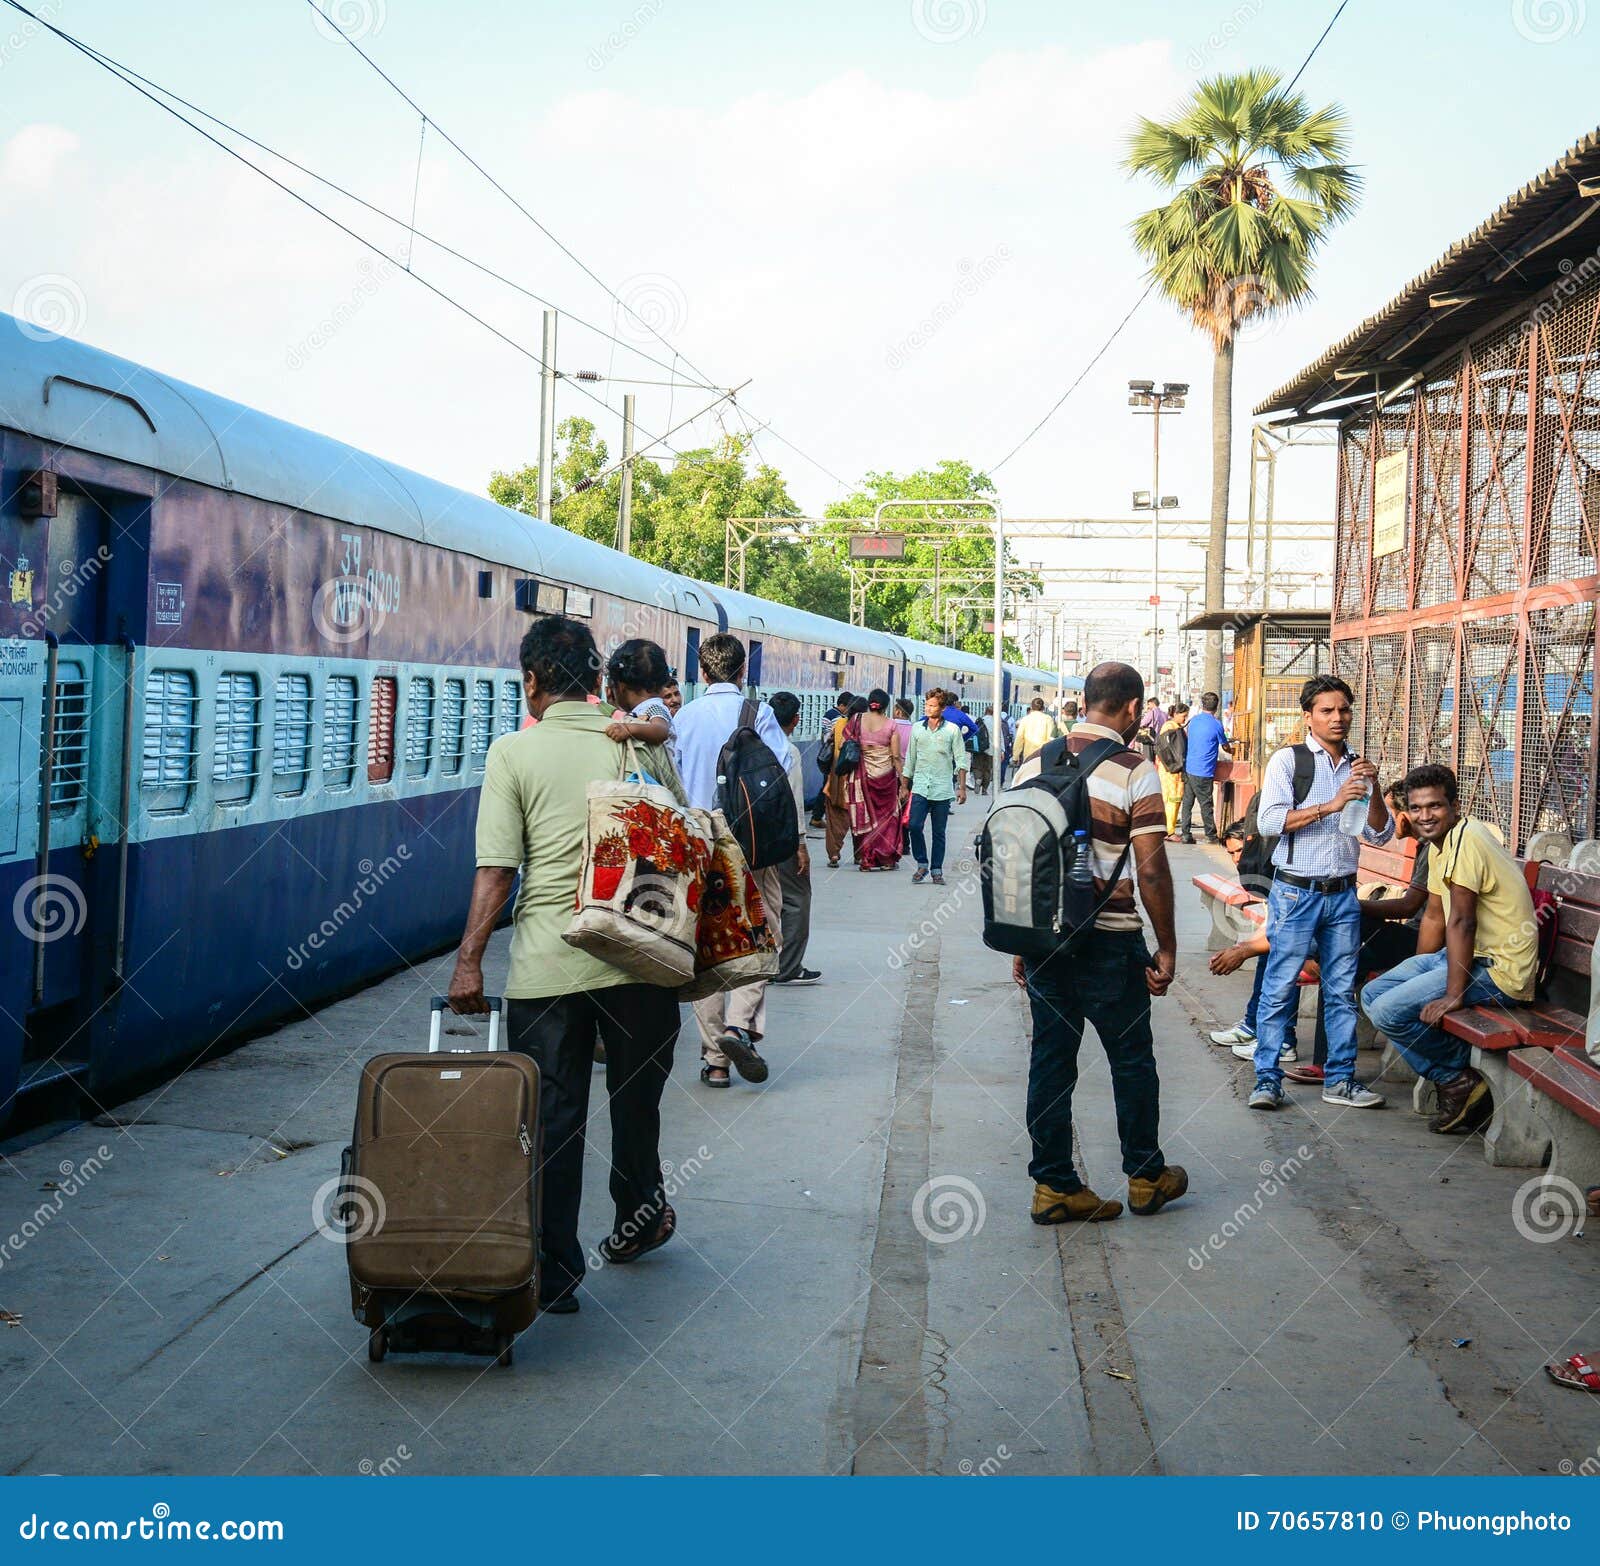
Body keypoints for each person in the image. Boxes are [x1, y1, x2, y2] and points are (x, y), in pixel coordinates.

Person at [447, 616, 686, 1313]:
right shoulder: (640, 748)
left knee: (552, 1117)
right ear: (597, 681)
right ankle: (637, 1219)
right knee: (637, 1104)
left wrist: (469, 963)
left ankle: (555, 1270)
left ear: (531, 682)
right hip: (641, 959)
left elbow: (496, 872)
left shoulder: (514, 754)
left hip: (550, 964)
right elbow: (676, 847)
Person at [1011, 661, 1184, 1223]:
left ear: (1085, 702)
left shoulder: (1034, 763)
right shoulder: (1135, 769)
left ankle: (1053, 1186)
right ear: (1133, 709)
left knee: (1051, 1061)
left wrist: (1023, 936)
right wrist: (1167, 947)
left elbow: (1020, 856)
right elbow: (1152, 869)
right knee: (1131, 1059)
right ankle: (1145, 1176)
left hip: (1046, 941)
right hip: (1110, 941)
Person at [1360, 764, 1537, 1134]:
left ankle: (1458, 1077)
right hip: (1470, 956)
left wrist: (1453, 993)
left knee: (1390, 1012)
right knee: (1375, 993)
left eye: (1435, 806)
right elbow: (1435, 917)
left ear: (1454, 806)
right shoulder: (1438, 845)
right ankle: (1459, 1078)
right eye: (1417, 808)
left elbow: (1463, 922)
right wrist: (1417, 971)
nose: (1425, 816)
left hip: (1500, 969)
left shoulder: (1467, 840)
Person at [1248, 674, 1393, 1112]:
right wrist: (1330, 805)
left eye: (1344, 709)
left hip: (1343, 895)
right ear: (1308, 716)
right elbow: (1269, 822)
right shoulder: (1289, 762)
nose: (1338, 718)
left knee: (1341, 989)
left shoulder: (1357, 766)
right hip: (1295, 893)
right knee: (1279, 986)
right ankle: (1268, 1080)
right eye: (1327, 711)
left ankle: (1341, 1079)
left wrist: (1376, 789)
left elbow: (1380, 835)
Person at [671, 631, 788, 1089]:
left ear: (702, 671)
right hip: (751, 846)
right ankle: (741, 1025)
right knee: (760, 936)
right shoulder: (759, 715)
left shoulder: (685, 716)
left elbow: (673, 781)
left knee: (708, 947)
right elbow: (781, 772)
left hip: (701, 844)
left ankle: (715, 1059)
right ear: (743, 672)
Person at [767, 691, 821, 988]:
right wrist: (801, 845)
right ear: (796, 720)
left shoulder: (752, 746)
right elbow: (795, 802)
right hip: (784, 838)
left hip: (751, 838)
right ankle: (788, 967)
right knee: (797, 898)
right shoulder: (788, 751)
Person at [901, 689, 967, 886]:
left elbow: (961, 760)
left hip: (942, 789)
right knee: (914, 825)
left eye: (932, 705)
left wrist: (962, 788)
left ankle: (936, 869)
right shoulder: (917, 729)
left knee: (939, 832)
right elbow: (910, 759)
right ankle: (922, 862)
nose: (928, 709)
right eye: (927, 705)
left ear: (943, 708)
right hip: (920, 786)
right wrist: (904, 786)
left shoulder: (952, 731)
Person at [842, 690, 903, 871]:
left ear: (869, 703)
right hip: (886, 776)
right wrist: (904, 782)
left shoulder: (856, 720)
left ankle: (867, 859)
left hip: (862, 775)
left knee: (866, 816)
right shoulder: (891, 724)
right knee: (888, 818)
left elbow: (843, 744)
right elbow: (896, 756)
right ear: (885, 706)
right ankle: (885, 859)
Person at [1178, 692, 1232, 844]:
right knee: (1206, 804)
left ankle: (1185, 834)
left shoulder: (1193, 721)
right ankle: (1211, 835)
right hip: (1204, 770)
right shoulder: (1216, 724)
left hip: (1189, 767)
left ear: (1203, 705)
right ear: (1217, 706)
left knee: (1188, 802)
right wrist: (1232, 750)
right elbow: (1225, 746)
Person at [603, 638, 674, 747]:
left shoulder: (654, 706)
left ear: (621, 686)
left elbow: (661, 730)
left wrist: (628, 729)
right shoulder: (642, 709)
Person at [808, 688, 854, 831]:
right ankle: (817, 816)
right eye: (849, 708)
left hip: (828, 756)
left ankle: (819, 816)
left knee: (827, 786)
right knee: (828, 787)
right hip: (834, 757)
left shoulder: (829, 713)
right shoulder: (838, 718)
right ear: (843, 705)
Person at [1154, 701, 1189, 837]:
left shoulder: (1173, 726)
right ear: (1175, 714)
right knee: (1172, 800)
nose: (1184, 719)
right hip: (1172, 770)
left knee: (1173, 800)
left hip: (1171, 769)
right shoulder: (1171, 728)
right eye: (1183, 716)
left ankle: (1169, 828)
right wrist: (1177, 764)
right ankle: (1170, 831)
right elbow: (1170, 750)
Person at [1012, 697, 1057, 766]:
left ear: (1031, 707)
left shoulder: (1025, 719)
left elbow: (1019, 739)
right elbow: (1051, 739)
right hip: (1043, 756)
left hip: (1028, 756)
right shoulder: (1048, 719)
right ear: (1043, 707)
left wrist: (1015, 757)